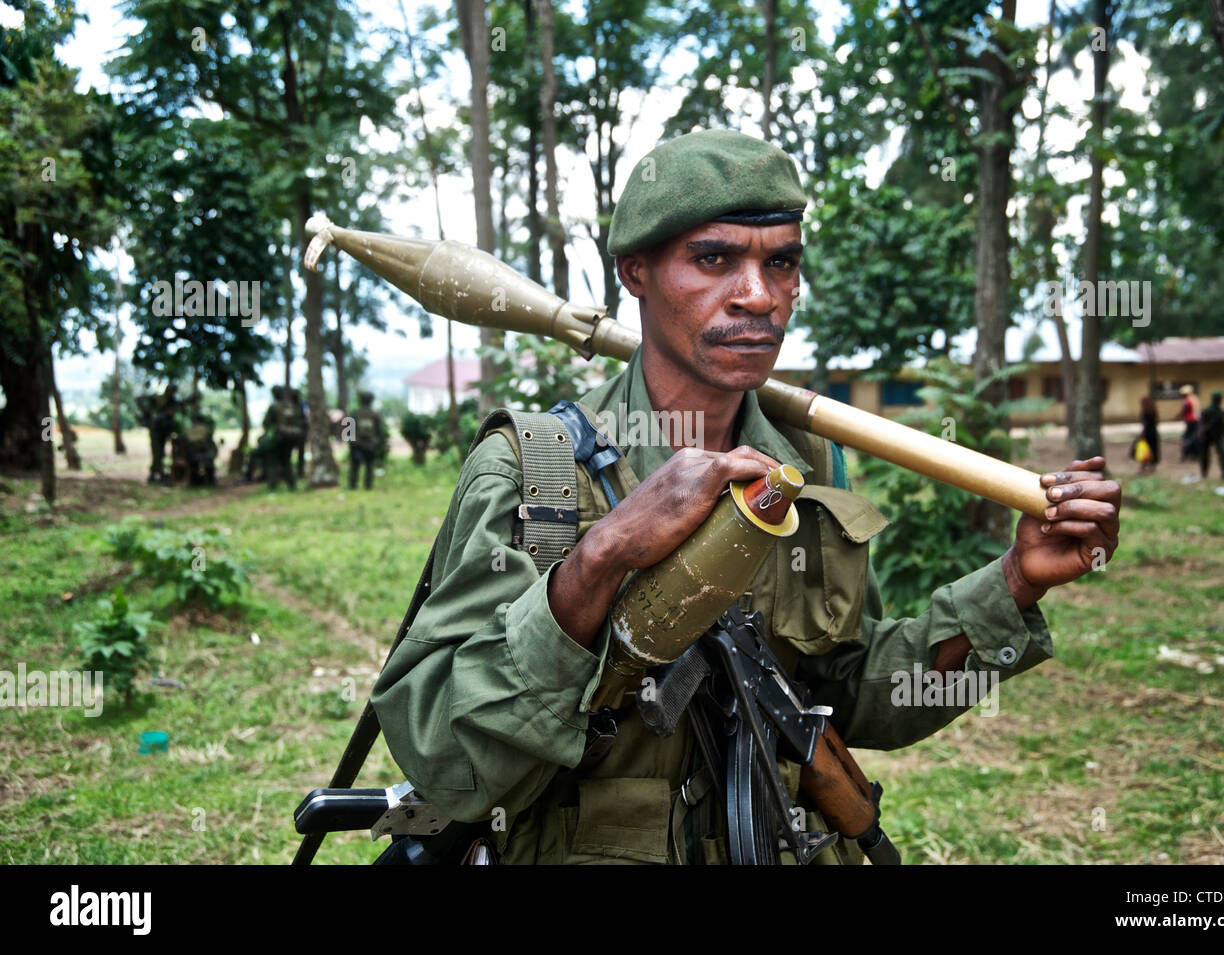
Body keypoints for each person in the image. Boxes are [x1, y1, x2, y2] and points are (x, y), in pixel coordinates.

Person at [369, 129, 1122, 865]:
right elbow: (442, 758)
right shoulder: (533, 471)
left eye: (782, 262)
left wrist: (1015, 582)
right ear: (636, 273)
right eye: (714, 259)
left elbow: (855, 696)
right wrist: (601, 556)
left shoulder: (808, 462)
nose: (759, 296)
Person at [137, 384, 180, 484]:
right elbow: (139, 399)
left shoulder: (172, 401)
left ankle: (156, 474)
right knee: (157, 453)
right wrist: (147, 412)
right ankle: (155, 474)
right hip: (156, 430)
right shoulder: (158, 399)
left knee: (161, 453)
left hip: (163, 431)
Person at [263, 385, 302, 491]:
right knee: (286, 461)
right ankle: (292, 484)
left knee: (273, 462)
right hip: (290, 438)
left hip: (278, 438)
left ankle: (273, 485)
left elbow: (267, 423)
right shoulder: (291, 406)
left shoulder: (274, 407)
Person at [346, 391, 386, 490]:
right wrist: (378, 443)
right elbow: (380, 431)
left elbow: (347, 431)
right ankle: (368, 485)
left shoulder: (354, 413)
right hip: (370, 444)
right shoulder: (375, 414)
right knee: (369, 466)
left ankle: (352, 485)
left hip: (357, 445)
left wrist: (351, 443)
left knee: (354, 466)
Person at [1197, 391, 1224, 481]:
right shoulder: (1211, 410)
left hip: (1214, 435)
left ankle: (1207, 473)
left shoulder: (1217, 410)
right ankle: (1219, 472)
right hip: (1210, 435)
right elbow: (1201, 423)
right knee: (1219, 454)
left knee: (1217, 454)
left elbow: (1201, 423)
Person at [1136, 394, 1160, 474]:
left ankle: (1142, 468)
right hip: (1154, 433)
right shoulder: (1153, 410)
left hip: (1147, 434)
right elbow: (1157, 422)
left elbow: (1145, 425)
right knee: (1153, 450)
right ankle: (1152, 467)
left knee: (1145, 451)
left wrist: (1142, 435)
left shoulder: (1144, 411)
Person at [290, 387, 309, 479]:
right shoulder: (290, 406)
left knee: (301, 454)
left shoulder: (302, 405)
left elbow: (306, 418)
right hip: (290, 434)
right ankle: (290, 473)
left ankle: (300, 472)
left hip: (300, 434)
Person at [1178, 384, 1200, 462]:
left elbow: (1184, 409)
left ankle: (1185, 455)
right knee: (1194, 437)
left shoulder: (1187, 400)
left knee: (1187, 438)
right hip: (1196, 420)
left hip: (1190, 421)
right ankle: (1195, 455)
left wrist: (1177, 417)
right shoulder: (1195, 398)